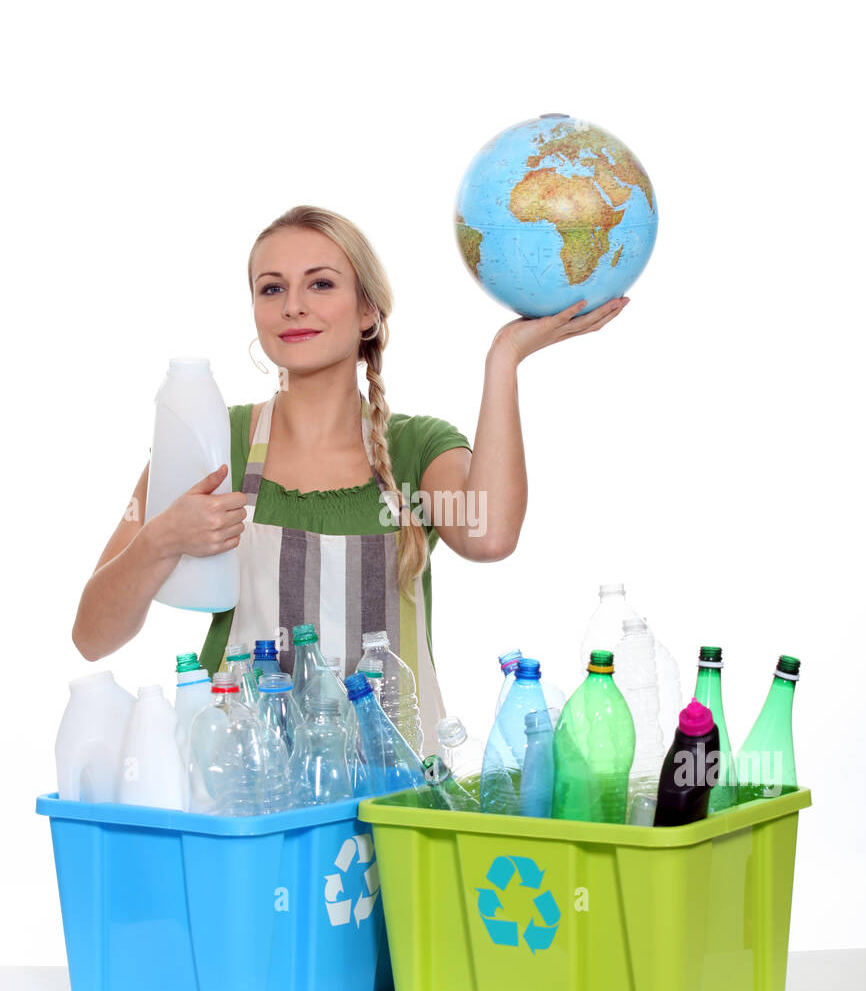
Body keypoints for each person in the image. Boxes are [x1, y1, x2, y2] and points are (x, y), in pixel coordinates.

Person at [72, 205, 628, 752]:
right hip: (245, 788)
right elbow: (93, 637)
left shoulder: (415, 450)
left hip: (396, 795)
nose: (293, 306)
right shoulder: (214, 443)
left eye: (320, 285)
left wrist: (504, 358)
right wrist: (162, 538)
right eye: (271, 289)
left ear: (367, 310)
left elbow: (490, 537)